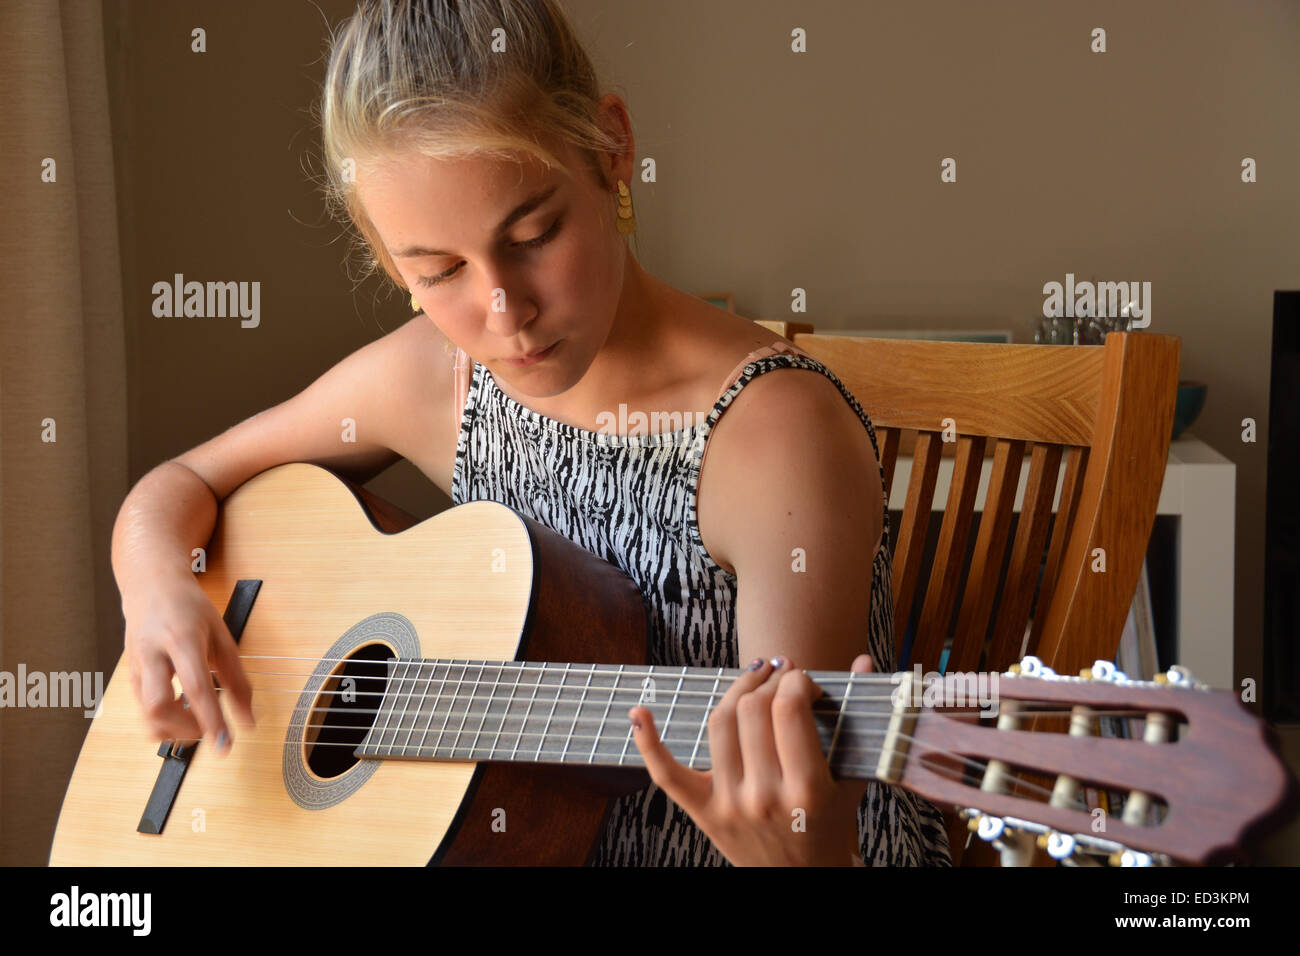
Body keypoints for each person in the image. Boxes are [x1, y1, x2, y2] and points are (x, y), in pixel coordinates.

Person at [112, 0, 951, 866]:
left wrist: (793, 849)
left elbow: (805, 816)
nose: (503, 311)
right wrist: (158, 595)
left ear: (612, 149)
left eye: (534, 233)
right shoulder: (435, 378)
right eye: (437, 271)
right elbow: (176, 488)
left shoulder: (772, 434)